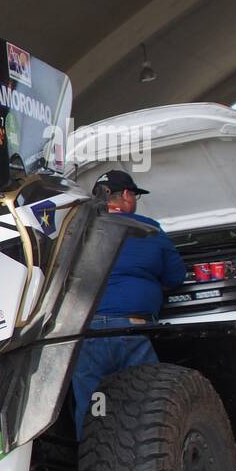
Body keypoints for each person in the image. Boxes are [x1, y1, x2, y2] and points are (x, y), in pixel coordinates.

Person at [71, 169, 187, 438]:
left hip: (87, 333)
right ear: (125, 195)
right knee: (146, 405)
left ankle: (93, 466)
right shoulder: (148, 229)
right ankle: (145, 465)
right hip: (134, 331)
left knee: (93, 406)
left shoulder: (76, 233)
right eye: (134, 194)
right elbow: (175, 277)